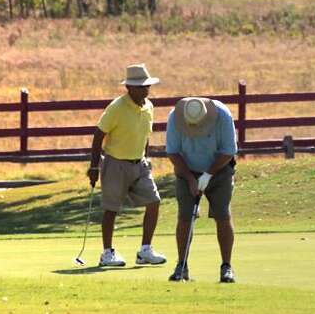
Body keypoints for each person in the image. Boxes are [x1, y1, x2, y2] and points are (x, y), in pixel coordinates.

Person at [86, 63, 166, 269]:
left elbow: (145, 135)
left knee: (154, 202)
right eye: (141, 87)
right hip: (115, 163)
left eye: (147, 86)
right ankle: (107, 253)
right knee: (111, 209)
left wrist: (147, 158)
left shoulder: (149, 107)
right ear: (129, 88)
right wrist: (94, 167)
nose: (145, 90)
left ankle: (145, 250)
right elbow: (98, 135)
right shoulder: (117, 107)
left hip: (140, 164)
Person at [164, 95, 239, 283]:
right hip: (186, 170)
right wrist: (190, 179)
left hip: (220, 170)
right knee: (185, 217)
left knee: (222, 215)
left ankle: (226, 267)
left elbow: (229, 151)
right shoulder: (175, 117)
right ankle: (181, 266)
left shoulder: (223, 115)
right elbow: (173, 152)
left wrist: (208, 174)